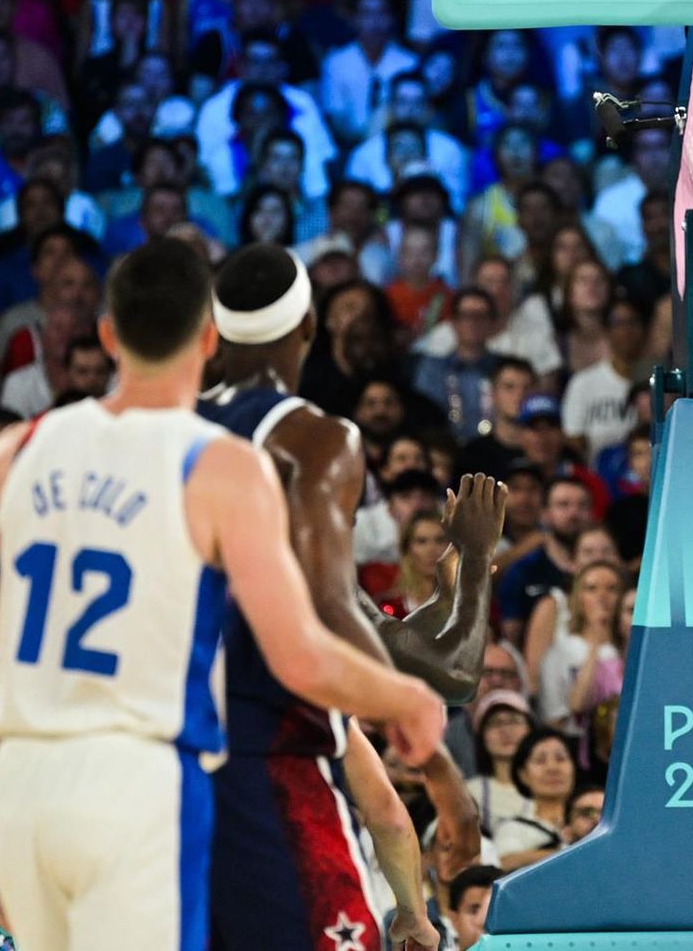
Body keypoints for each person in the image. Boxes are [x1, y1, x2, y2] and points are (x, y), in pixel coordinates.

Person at [0, 239, 448, 949]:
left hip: (21, 789)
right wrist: (404, 698)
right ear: (208, 339)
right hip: (135, 781)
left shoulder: (21, 446)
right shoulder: (222, 466)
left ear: (108, 336)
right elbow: (299, 656)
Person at [196, 245, 497, 949]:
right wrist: (439, 767)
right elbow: (355, 621)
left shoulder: (160, 429)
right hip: (263, 761)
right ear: (310, 325)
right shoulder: (313, 440)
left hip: (151, 760)